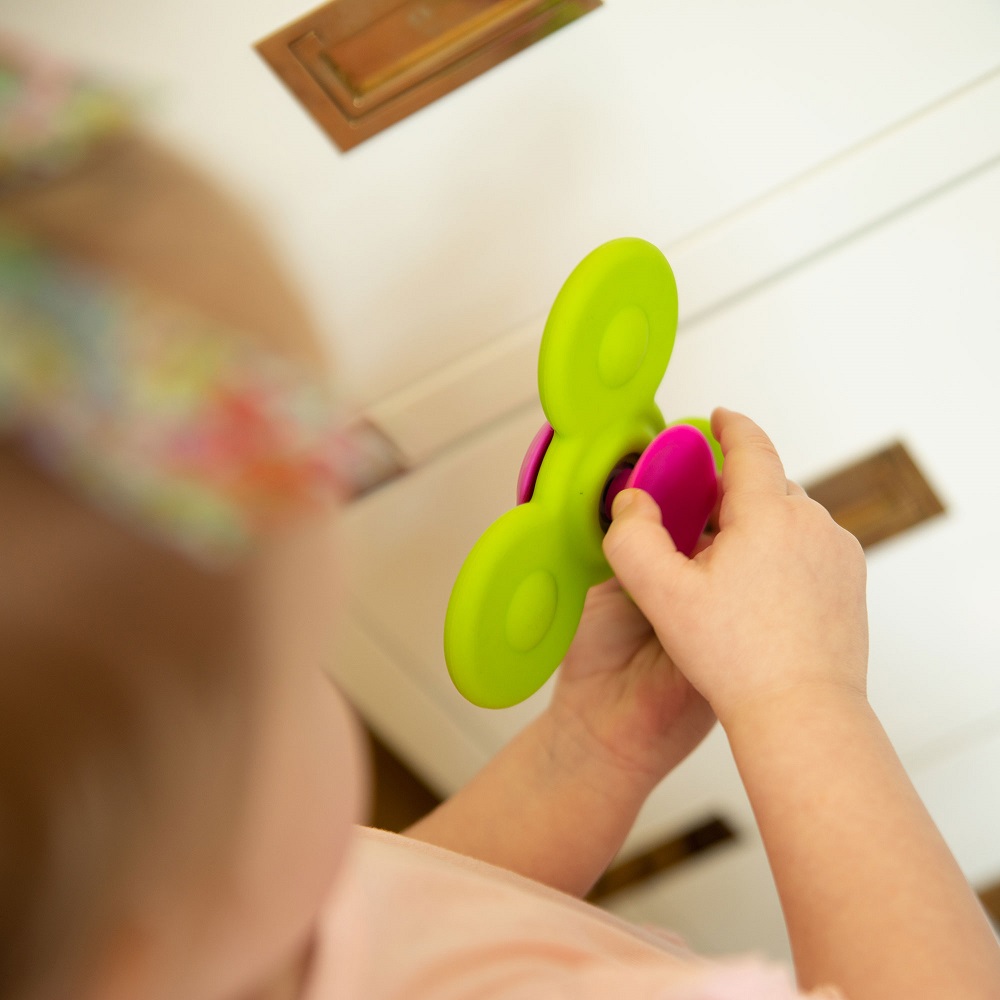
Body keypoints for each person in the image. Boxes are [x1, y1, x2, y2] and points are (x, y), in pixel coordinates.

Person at [2, 34, 999, 1000]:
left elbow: (388, 909)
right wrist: (803, 693)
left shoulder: (213, 931)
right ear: (144, 944)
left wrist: (590, 751)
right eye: (302, 666)